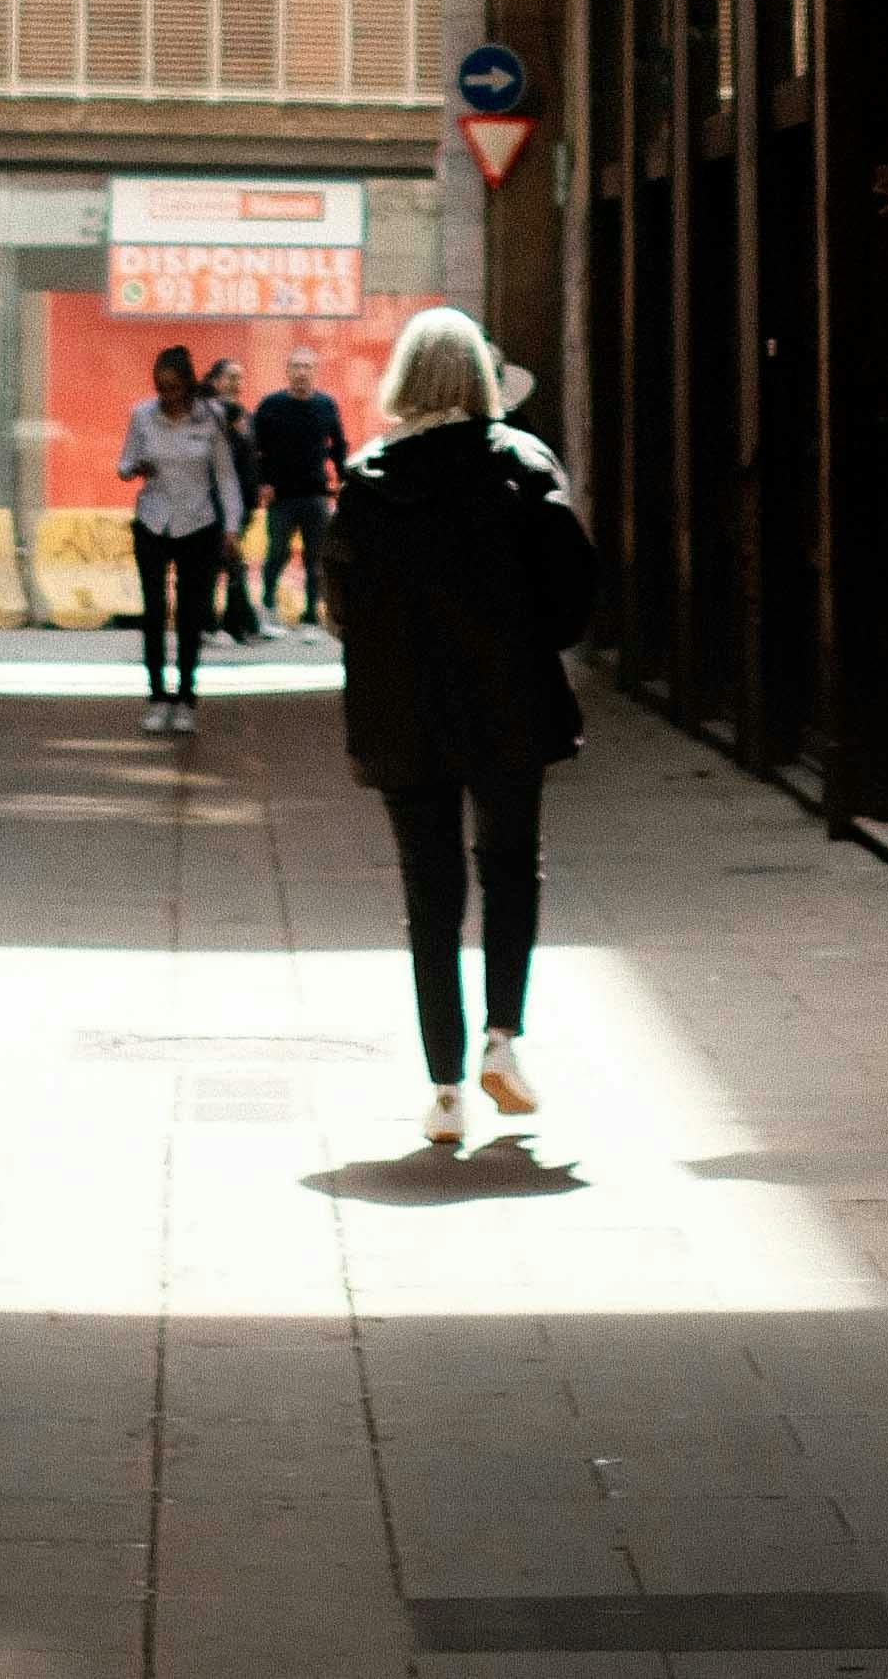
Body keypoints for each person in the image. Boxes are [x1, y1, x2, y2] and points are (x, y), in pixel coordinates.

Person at [322, 302, 594, 1153]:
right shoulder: (522, 463)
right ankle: (501, 1040)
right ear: (481, 376)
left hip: (403, 710)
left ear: (404, 379)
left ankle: (443, 1091)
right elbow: (572, 595)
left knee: (429, 894)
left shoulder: (368, 479)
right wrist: (521, 637)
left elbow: (341, 607)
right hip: (507, 702)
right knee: (511, 867)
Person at [119, 342, 243, 727]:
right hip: (153, 521)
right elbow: (123, 464)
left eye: (173, 387)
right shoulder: (142, 415)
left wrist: (231, 527)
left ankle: (186, 696)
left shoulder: (210, 418)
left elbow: (225, 477)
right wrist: (136, 467)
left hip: (198, 523)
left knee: (192, 612)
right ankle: (157, 695)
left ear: (187, 385)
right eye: (160, 388)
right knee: (154, 610)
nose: (167, 395)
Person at [244, 338, 349, 625]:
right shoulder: (271, 405)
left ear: (315, 371)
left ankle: (311, 614)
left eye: (307, 367)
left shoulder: (326, 405)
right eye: (296, 366)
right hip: (281, 495)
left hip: (316, 493)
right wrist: (262, 483)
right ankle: (268, 607)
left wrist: (342, 479)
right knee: (277, 554)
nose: (302, 372)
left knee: (317, 557)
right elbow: (254, 447)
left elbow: (338, 444)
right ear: (288, 370)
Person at [203, 353, 263, 639]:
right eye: (231, 377)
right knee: (219, 564)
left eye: (240, 378)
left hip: (241, 505)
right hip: (214, 505)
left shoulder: (245, 417)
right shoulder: (205, 416)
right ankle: (219, 623)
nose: (236, 383)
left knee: (231, 564)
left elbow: (251, 459)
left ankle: (235, 622)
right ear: (216, 381)